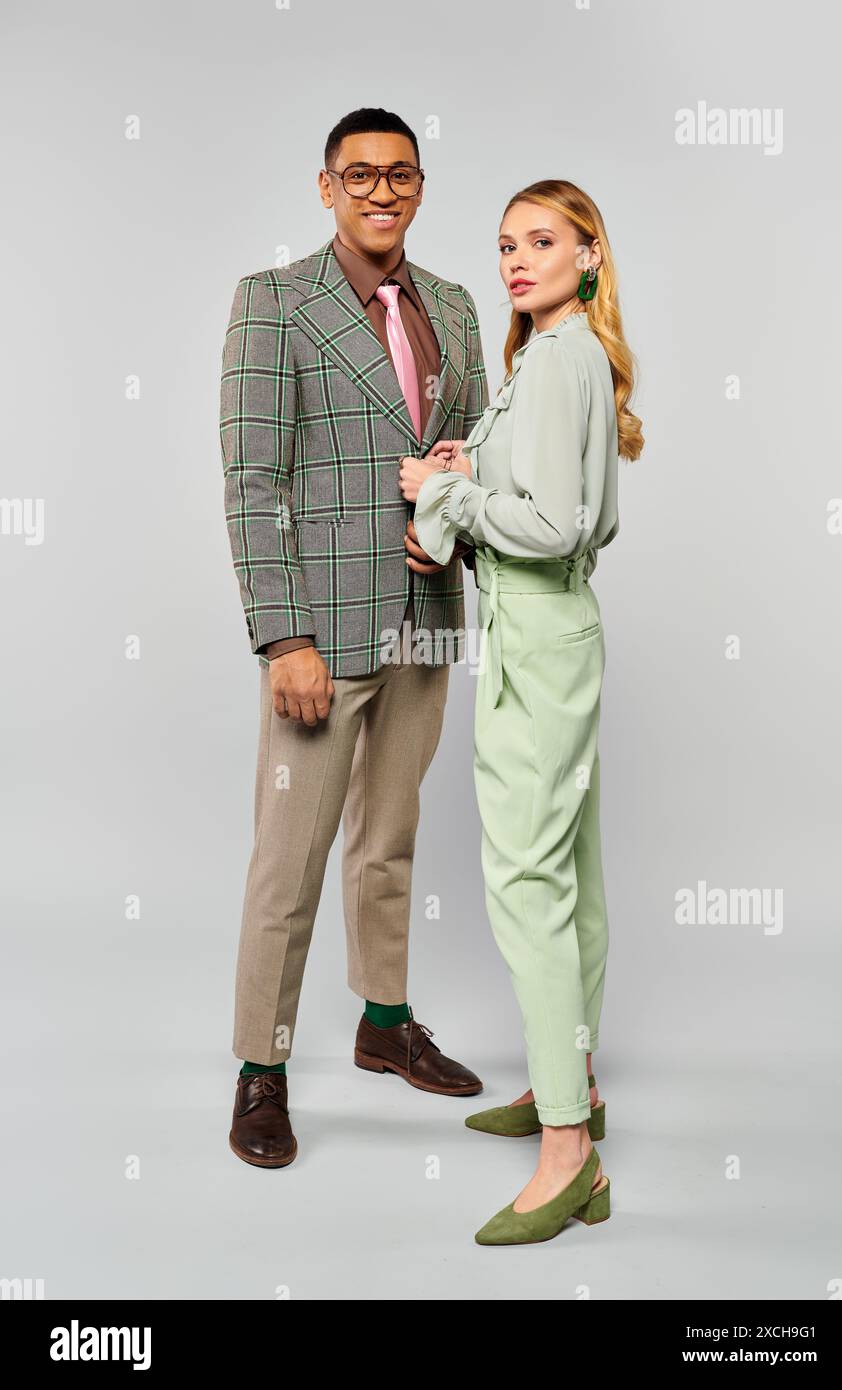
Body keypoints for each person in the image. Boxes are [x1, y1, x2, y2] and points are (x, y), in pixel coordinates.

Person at [220, 107, 489, 1169]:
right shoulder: (274, 303)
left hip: (425, 624)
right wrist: (283, 635)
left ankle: (384, 1023)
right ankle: (262, 1067)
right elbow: (252, 480)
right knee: (288, 864)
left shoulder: (457, 309)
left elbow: (467, 449)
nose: (382, 192)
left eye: (402, 175)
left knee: (390, 839)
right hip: (321, 635)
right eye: (361, 175)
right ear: (326, 186)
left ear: (420, 187)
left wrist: (454, 524)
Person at [400, 179, 644, 1243]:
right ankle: (577, 1089)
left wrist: (443, 492)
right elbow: (596, 519)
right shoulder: (566, 356)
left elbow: (549, 525)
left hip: (535, 642)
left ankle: (566, 1154)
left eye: (542, 241)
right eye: (506, 243)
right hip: (564, 634)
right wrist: (473, 463)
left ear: (590, 255)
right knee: (573, 871)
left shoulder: (554, 362)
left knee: (528, 884)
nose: (516, 259)